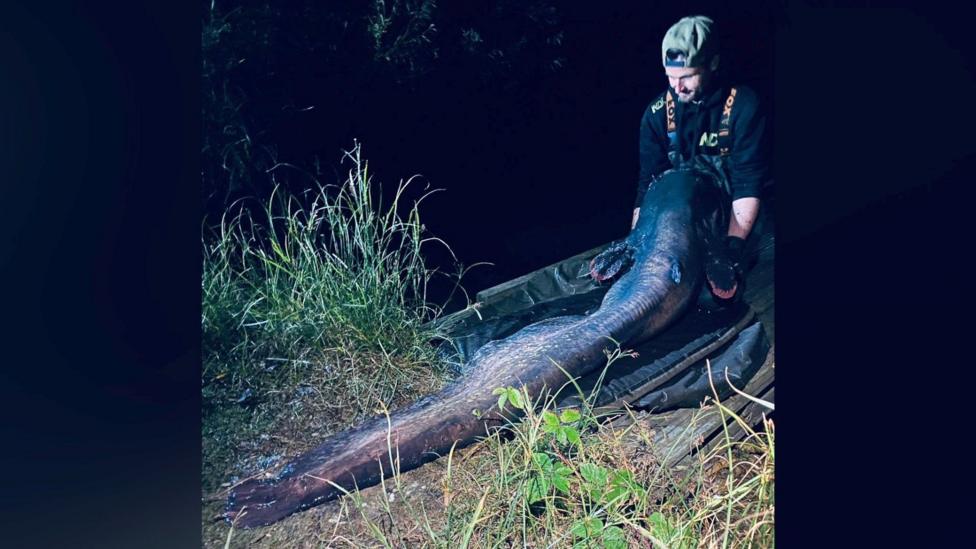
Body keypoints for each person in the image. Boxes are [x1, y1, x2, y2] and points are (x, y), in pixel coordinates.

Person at [632, 15, 770, 301]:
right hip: (680, 218)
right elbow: (647, 185)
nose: (676, 87)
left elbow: (748, 182)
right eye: (670, 77)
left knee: (715, 296)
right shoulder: (657, 114)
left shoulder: (743, 106)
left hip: (730, 210)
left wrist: (731, 248)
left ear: (713, 64)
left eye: (686, 77)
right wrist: (636, 242)